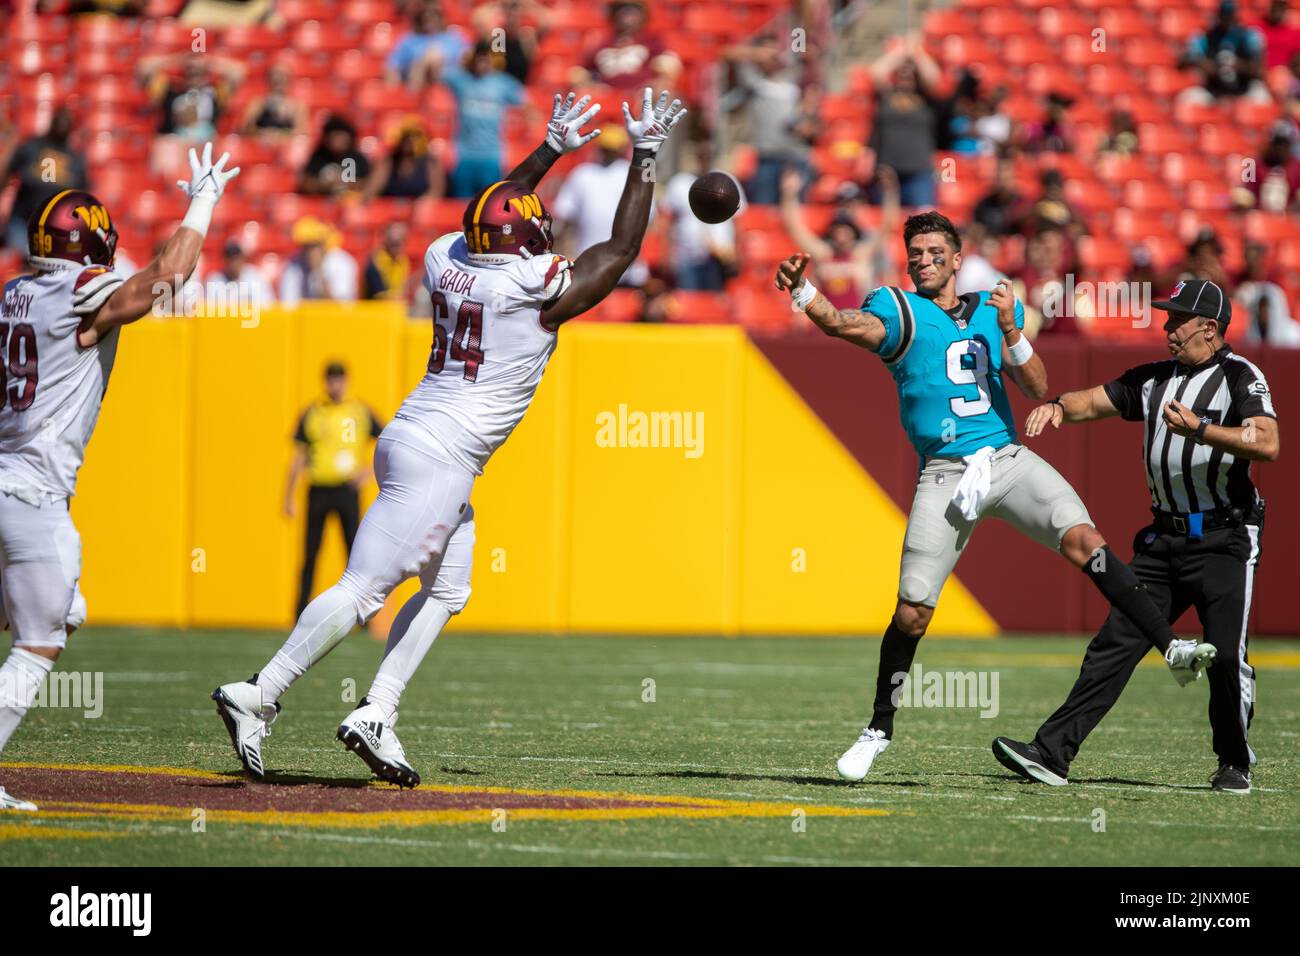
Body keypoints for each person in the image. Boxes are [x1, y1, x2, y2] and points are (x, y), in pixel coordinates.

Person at [211, 88, 687, 786]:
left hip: (418, 433)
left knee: (449, 588)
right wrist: (644, 156)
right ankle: (260, 692)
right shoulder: (532, 285)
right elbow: (618, 250)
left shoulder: (443, 257)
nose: (544, 231)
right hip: (443, 453)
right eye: (534, 225)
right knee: (365, 588)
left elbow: (487, 214)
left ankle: (378, 711)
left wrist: (549, 150)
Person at [772, 212, 1215, 782]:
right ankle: (878, 728)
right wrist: (803, 289)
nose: (923, 260)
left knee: (1086, 540)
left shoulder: (991, 307)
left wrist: (1010, 329)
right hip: (946, 472)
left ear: (958, 258)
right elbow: (839, 323)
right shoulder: (896, 307)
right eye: (915, 252)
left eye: (935, 251)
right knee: (912, 612)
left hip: (1004, 458)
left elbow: (1036, 386)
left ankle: (1172, 647)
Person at [0, 144, 240, 813]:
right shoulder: (81, 293)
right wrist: (204, 201)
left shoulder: (16, 293)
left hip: (9, 478)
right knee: (38, 642)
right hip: (33, 492)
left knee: (64, 609)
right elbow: (167, 278)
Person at [995, 280, 1279, 795]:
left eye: (1178, 321)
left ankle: (1234, 762)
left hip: (1225, 535)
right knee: (1115, 643)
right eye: (1167, 319)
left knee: (1224, 654)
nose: (1167, 329)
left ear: (1209, 329)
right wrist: (1059, 405)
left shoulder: (1241, 376)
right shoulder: (1155, 379)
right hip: (1164, 538)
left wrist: (1202, 431)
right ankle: (1052, 753)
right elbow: (1096, 400)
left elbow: (1268, 441)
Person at [285, 363, 384, 618]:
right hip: (318, 489)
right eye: (331, 380)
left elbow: (386, 442)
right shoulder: (314, 412)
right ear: (325, 382)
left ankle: (361, 614)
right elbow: (298, 455)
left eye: (339, 379)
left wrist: (367, 474)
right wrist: (288, 496)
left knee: (354, 553)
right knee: (310, 553)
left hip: (347, 491)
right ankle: (300, 612)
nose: (335, 385)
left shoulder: (359, 410)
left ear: (347, 381)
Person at [780, 165, 894, 309]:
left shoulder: (861, 254)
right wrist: (789, 195)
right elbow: (795, 228)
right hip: (827, 322)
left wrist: (890, 193)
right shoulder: (823, 253)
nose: (841, 235)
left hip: (859, 320)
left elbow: (887, 226)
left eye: (845, 231)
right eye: (837, 230)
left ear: (853, 233)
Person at [551, 125, 652, 286]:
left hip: (626, 268)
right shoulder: (582, 173)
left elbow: (647, 218)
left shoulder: (632, 172)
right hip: (588, 264)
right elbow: (563, 219)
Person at [443, 40, 528, 197]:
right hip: (464, 155)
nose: (481, 62)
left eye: (485, 58)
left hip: (492, 155)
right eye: (478, 57)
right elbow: (439, 74)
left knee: (487, 206)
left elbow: (526, 104)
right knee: (462, 209)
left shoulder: (502, 83)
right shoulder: (461, 80)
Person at [866, 33, 942, 207]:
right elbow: (876, 72)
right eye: (902, 72)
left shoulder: (925, 99)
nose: (905, 75)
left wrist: (916, 52)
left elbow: (934, 77)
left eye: (910, 72)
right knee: (885, 224)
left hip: (919, 173)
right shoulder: (886, 96)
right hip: (887, 172)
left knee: (925, 222)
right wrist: (900, 53)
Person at [1, 107, 88, 252]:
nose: (62, 124)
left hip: (55, 231)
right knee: (17, 260)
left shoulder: (75, 160)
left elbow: (81, 198)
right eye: (60, 119)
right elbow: (8, 172)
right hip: (22, 222)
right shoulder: (31, 147)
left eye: (67, 121)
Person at [574, 0, 681, 94]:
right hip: (606, 94)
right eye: (622, 11)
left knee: (666, 97)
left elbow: (667, 68)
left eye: (633, 11)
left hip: (643, 94)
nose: (627, 15)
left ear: (643, 16)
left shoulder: (652, 41)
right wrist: (592, 86)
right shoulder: (601, 42)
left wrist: (655, 86)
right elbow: (583, 72)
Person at [1180, 0, 1269, 103]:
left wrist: (1238, 65)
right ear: (1218, 16)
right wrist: (1203, 64)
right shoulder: (1206, 36)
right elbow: (1184, 62)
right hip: (1214, 91)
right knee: (1187, 99)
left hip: (1243, 90)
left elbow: (1259, 69)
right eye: (1224, 16)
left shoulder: (1248, 35)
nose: (1227, 20)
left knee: (1263, 98)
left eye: (1230, 16)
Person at [386, 0, 472, 90]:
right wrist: (393, 92)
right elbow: (392, 66)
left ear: (441, 16)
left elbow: (469, 60)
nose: (430, 18)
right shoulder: (410, 39)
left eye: (434, 15)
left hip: (451, 87)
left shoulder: (455, 38)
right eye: (426, 15)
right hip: (419, 85)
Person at [278, 217, 359, 305]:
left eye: (315, 246)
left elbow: (340, 307)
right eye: (307, 246)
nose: (310, 252)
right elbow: (288, 304)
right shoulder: (293, 264)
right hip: (303, 317)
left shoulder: (342, 263)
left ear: (324, 245)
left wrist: (318, 272)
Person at [364, 119, 445, 201]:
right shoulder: (388, 161)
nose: (409, 141)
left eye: (414, 137)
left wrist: (422, 203)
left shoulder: (431, 162)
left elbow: (436, 190)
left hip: (422, 210)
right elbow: (373, 188)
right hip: (391, 210)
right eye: (406, 138)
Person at [299, 115, 371, 197]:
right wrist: (327, 186)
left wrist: (345, 184)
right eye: (334, 136)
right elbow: (306, 185)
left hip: (352, 205)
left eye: (341, 137)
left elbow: (371, 184)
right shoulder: (318, 157)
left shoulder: (358, 158)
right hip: (322, 205)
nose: (337, 141)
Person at [240, 64, 307, 139]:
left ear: (289, 80)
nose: (277, 80)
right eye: (274, 78)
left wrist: (278, 135)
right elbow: (246, 129)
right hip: (260, 143)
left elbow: (301, 133)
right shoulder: (257, 103)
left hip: (286, 146)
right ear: (268, 80)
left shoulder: (297, 106)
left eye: (282, 78)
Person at [362, 222, 412, 301]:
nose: (396, 247)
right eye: (393, 243)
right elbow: (378, 294)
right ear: (386, 241)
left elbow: (402, 288)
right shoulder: (376, 261)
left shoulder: (403, 261)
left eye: (399, 243)